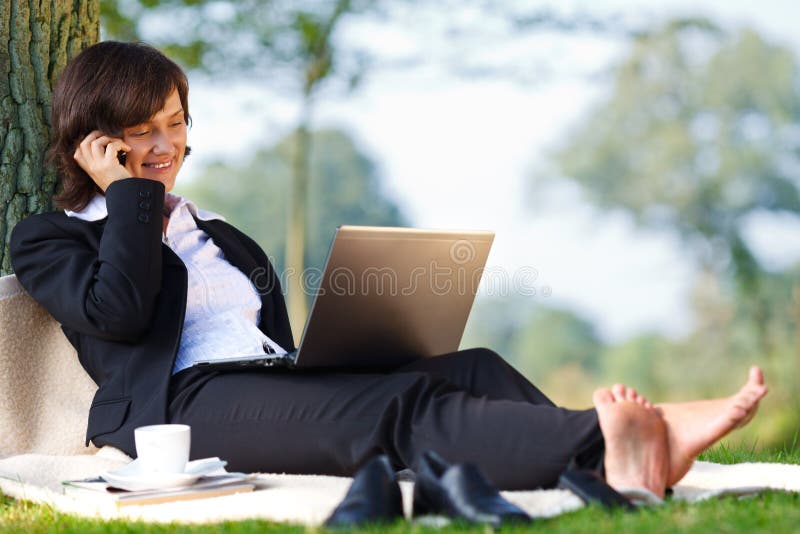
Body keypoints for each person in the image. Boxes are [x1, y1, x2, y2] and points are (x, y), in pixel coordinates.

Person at [9, 41, 767, 497]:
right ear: (95, 142)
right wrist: (132, 198)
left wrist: (347, 352)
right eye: (142, 132)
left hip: (266, 383)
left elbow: (267, 335)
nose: (166, 146)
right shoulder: (51, 237)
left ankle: (611, 461)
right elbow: (121, 312)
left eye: (175, 123)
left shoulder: (219, 231)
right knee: (389, 416)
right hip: (179, 410)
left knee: (468, 367)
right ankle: (620, 441)